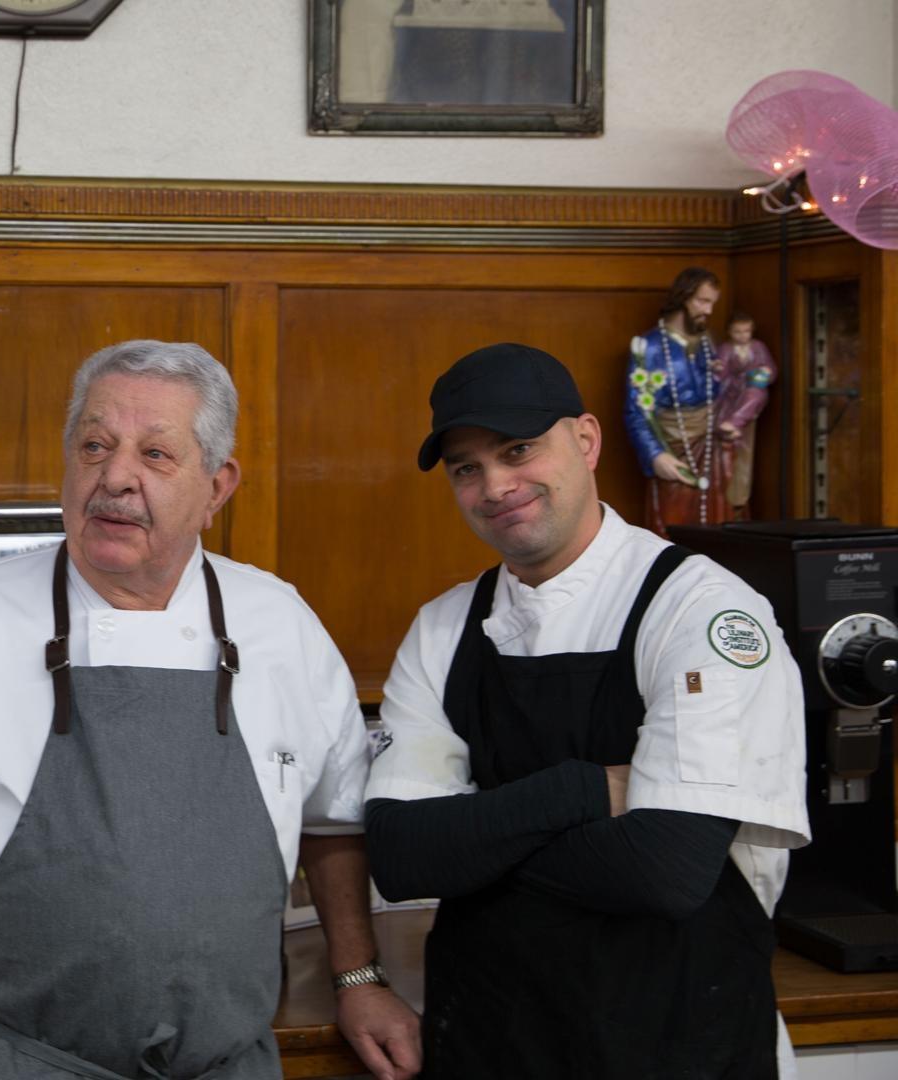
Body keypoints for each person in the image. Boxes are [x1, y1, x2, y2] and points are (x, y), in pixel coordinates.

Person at [0, 340, 422, 1080]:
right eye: (94, 446)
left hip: (221, 1063)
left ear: (218, 485)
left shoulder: (278, 624)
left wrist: (358, 978)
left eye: (155, 455)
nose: (114, 477)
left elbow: (332, 822)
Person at [366, 343, 810, 1078]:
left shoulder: (702, 610)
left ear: (588, 439)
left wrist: (478, 839)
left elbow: (664, 870)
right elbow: (403, 857)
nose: (496, 484)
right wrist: (587, 790)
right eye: (467, 467)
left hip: (680, 1043)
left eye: (519, 449)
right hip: (490, 1041)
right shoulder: (443, 629)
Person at [625, 267, 726, 534]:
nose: (709, 310)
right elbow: (637, 409)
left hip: (710, 450)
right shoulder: (651, 346)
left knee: (716, 524)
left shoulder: (708, 343)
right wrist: (656, 455)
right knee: (672, 527)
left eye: (712, 303)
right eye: (703, 301)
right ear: (684, 297)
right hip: (673, 448)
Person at [711, 312, 777, 520]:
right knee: (730, 457)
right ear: (730, 332)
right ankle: (731, 504)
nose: (742, 335)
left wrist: (766, 372)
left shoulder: (757, 347)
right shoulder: (725, 349)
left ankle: (734, 421)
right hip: (730, 396)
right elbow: (718, 376)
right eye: (738, 331)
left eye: (746, 331)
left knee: (756, 393)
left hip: (750, 396)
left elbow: (771, 371)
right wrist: (718, 369)